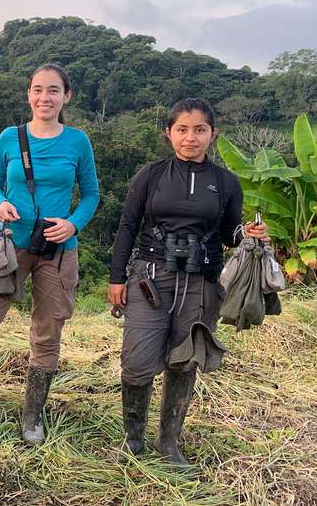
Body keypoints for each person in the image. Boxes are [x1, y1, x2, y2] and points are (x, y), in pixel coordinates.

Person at [107, 98, 269, 465]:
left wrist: (247, 233)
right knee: (136, 361)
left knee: (185, 361)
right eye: (182, 129)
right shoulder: (151, 175)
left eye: (199, 130)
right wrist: (117, 278)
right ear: (169, 133)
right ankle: (133, 440)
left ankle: (169, 444)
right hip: (150, 278)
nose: (190, 137)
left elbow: (229, 233)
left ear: (213, 134)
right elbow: (128, 226)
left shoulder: (226, 183)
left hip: (201, 282)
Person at [0, 64, 100, 444]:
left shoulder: (77, 141)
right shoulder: (10, 137)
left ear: (66, 96)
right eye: (38, 90)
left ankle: (32, 416)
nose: (45, 97)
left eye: (53, 90)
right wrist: (1, 202)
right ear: (28, 94)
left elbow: (91, 194)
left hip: (58, 249)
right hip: (10, 247)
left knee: (47, 332)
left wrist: (73, 224)